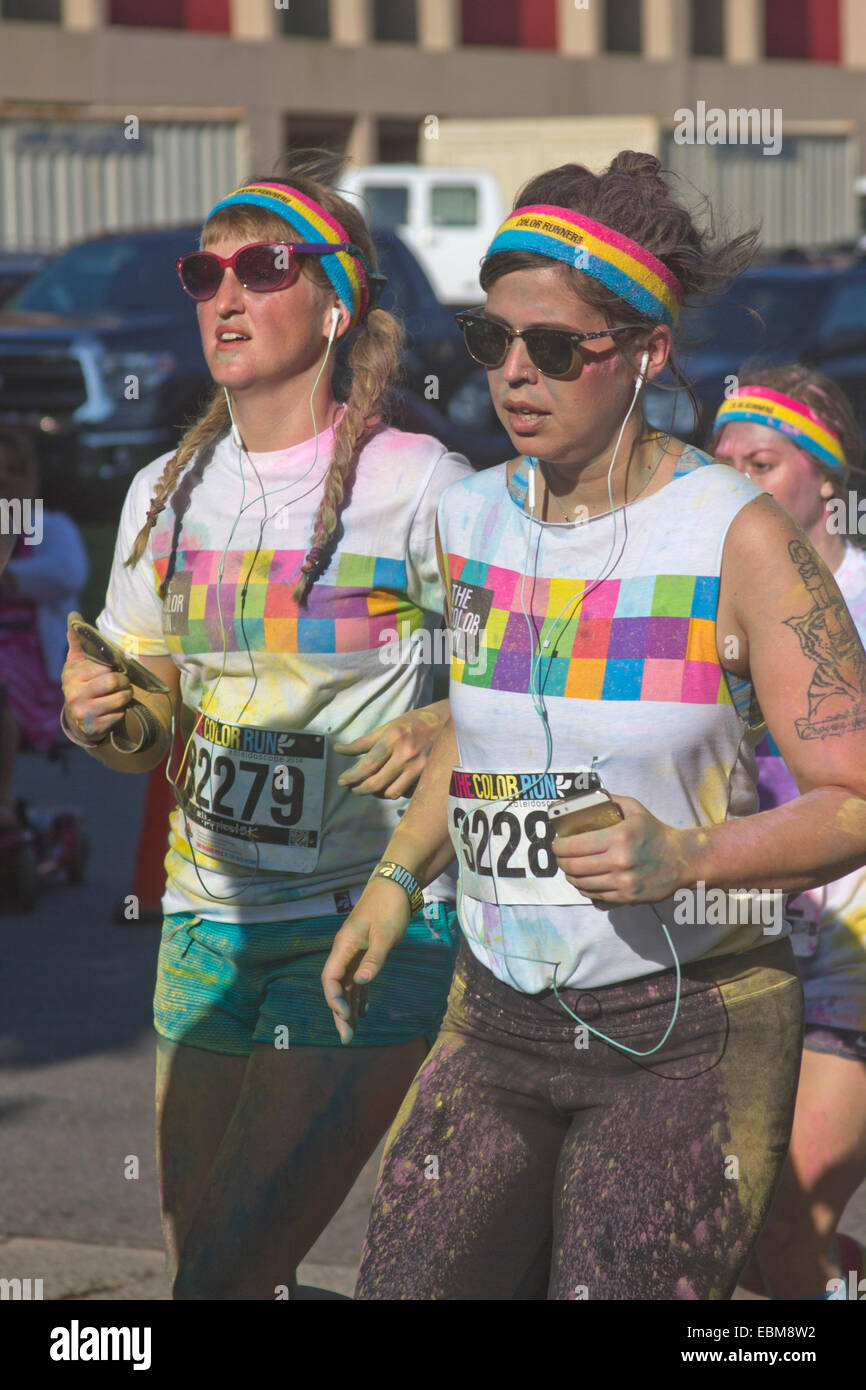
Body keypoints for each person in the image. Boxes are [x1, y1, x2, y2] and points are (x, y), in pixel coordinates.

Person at [322, 152, 866, 1301]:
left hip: (688, 1028)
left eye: (557, 348)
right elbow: (485, 734)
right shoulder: (469, 519)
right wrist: (392, 876)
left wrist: (686, 856)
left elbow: (853, 795)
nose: (514, 376)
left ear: (647, 354)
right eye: (491, 341)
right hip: (496, 1010)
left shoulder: (735, 534)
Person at [60, 160, 471, 1299]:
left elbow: (529, 673)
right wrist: (106, 714)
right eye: (206, 273)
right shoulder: (162, 491)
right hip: (204, 925)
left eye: (263, 266)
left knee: (228, 1272)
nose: (225, 296)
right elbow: (145, 731)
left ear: (335, 303)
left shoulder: (422, 484)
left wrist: (446, 711)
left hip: (363, 925)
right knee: (215, 1265)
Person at [714, 367, 866, 1299]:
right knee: (734, 1235)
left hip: (851, 955)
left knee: (781, 1210)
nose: (734, 480)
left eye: (762, 463)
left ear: (830, 486)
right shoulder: (701, 594)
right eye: (721, 461)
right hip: (733, 950)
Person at [0, 428, 87, 825]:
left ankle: (3, 806)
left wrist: (9, 576)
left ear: (33, 482)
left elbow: (67, 572)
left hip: (35, 669)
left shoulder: (49, 529)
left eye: (15, 472)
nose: (4, 482)